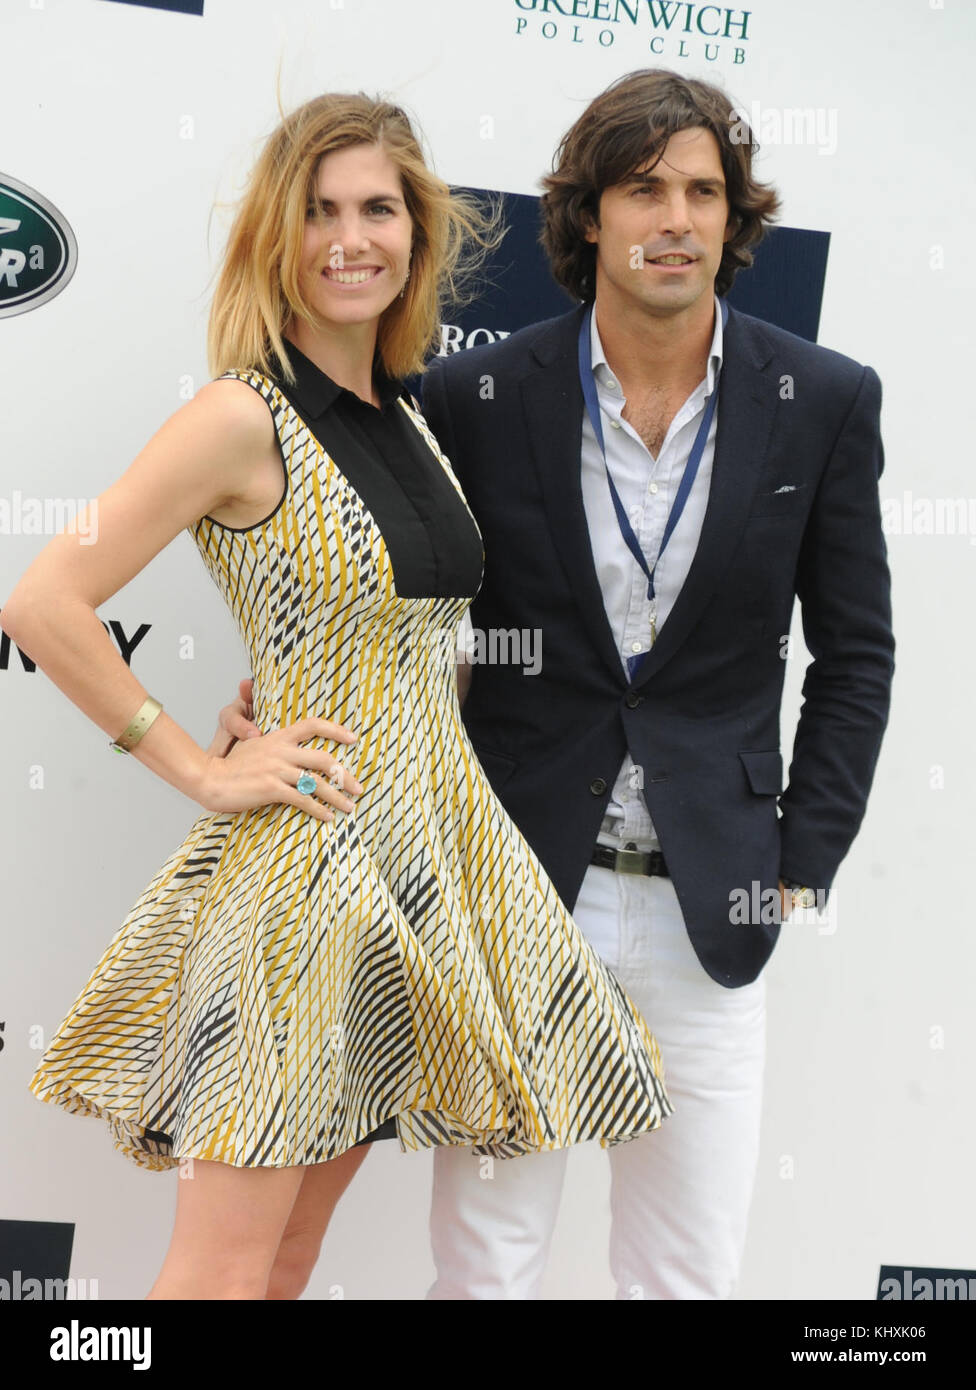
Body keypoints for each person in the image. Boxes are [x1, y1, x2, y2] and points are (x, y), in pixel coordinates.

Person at [219, 68, 894, 1300]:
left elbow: (857, 652)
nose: (674, 218)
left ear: (737, 217)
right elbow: (397, 588)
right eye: (642, 189)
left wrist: (800, 858)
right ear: (589, 214)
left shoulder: (824, 402)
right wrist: (282, 691)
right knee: (487, 1271)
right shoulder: (478, 397)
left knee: (684, 1277)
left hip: (713, 910)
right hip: (514, 888)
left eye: (703, 191)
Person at [1, 93, 672, 1302]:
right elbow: (44, 601)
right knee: (219, 1268)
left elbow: (399, 636)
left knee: (292, 1260)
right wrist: (200, 766)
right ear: (276, 232)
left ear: (416, 234)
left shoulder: (408, 417)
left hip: (409, 884)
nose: (348, 238)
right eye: (317, 211)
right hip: (298, 889)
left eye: (377, 208)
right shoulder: (236, 414)